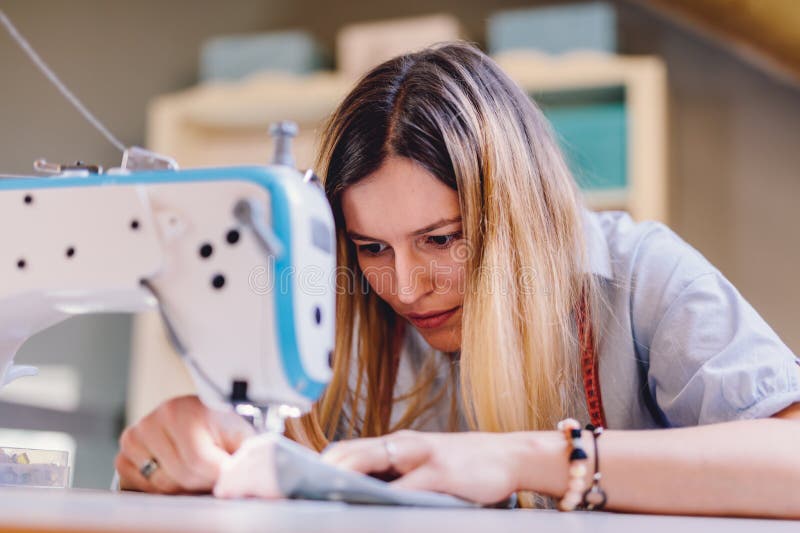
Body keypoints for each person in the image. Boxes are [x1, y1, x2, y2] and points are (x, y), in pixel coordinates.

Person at [115, 42, 800, 517]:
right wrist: (177, 452)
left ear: (518, 214)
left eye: (441, 239)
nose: (406, 286)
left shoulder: (641, 275)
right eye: (371, 247)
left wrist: (529, 458)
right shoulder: (356, 313)